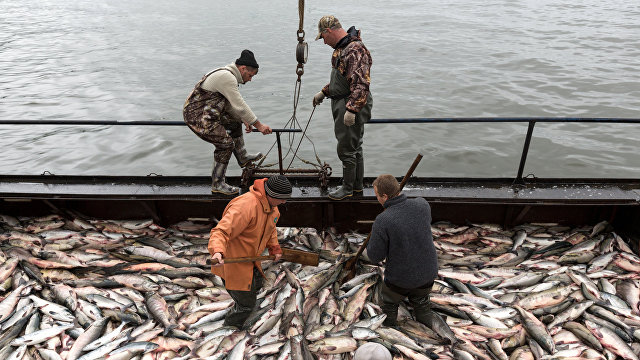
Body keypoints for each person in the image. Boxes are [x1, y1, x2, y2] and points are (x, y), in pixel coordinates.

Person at [183, 49, 273, 195]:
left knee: (234, 122)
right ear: (243, 68)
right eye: (250, 75)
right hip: (197, 117)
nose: (250, 79)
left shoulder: (228, 75)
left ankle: (242, 157)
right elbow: (240, 104)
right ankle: (218, 184)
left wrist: (243, 119)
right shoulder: (227, 77)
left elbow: (229, 105)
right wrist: (259, 125)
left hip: (210, 113)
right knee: (225, 144)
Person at [207, 175, 292, 328]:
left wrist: (274, 247)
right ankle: (229, 329)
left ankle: (247, 302)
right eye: (282, 199)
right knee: (246, 305)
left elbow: (270, 229)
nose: (284, 202)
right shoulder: (245, 207)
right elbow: (220, 232)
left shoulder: (273, 208)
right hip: (235, 265)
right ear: (272, 195)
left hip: (253, 260)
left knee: (257, 285)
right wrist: (217, 252)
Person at [312, 15, 373, 200]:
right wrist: (324, 92)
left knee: (346, 149)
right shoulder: (342, 49)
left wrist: (352, 109)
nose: (323, 42)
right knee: (355, 147)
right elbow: (342, 79)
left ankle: (347, 189)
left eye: (322, 37)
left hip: (350, 104)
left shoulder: (355, 49)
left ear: (328, 31)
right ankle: (356, 187)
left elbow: (361, 83)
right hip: (343, 101)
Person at [366, 174, 438, 327]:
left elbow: (374, 256)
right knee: (422, 301)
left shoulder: (383, 220)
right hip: (428, 274)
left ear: (384, 196)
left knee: (389, 302)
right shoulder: (422, 205)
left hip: (400, 281)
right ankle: (428, 330)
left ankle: (390, 329)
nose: (377, 199)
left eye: (377, 195)